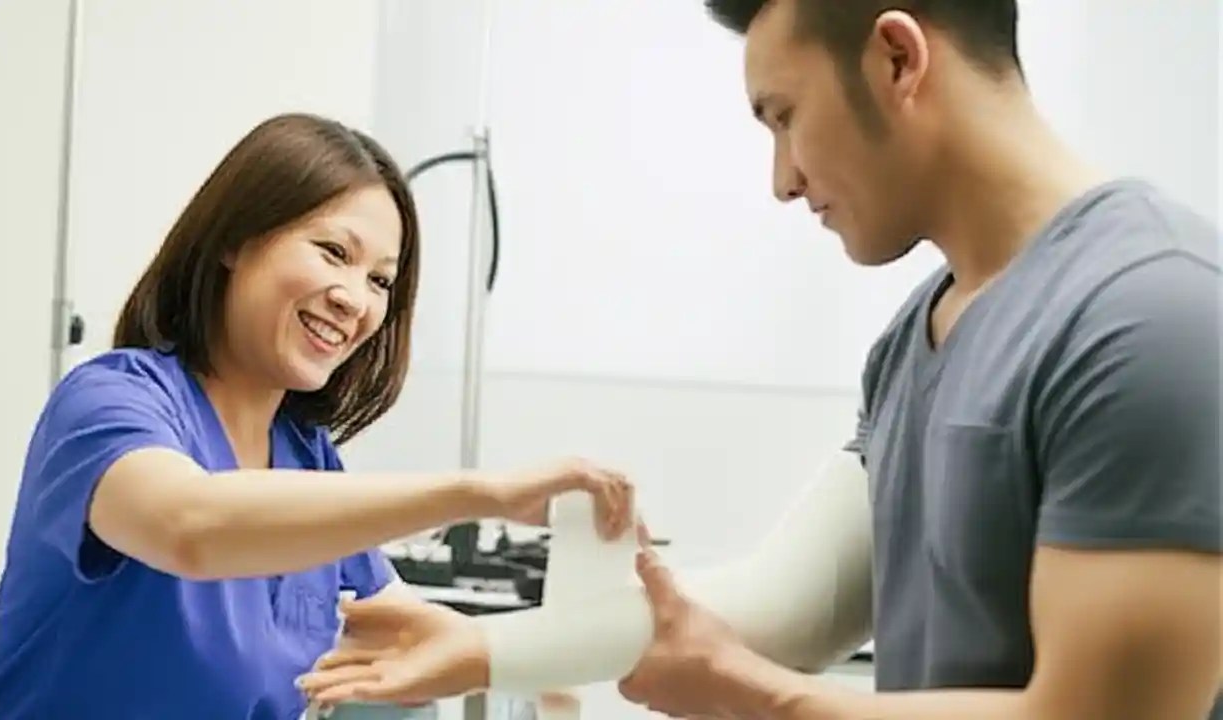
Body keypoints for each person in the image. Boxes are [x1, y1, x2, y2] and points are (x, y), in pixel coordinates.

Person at [295, 0, 1223, 718]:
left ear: (898, 57)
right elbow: (795, 604)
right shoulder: (917, 337)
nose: (782, 179)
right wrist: (484, 643)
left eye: (782, 116)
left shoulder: (1151, 313)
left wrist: (759, 698)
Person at [0, 112, 635, 719]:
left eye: (380, 281)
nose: (355, 300)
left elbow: (412, 638)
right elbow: (191, 527)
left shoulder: (306, 456)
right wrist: (479, 492)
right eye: (334, 253)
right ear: (235, 241)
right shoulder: (110, 404)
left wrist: (599, 638)